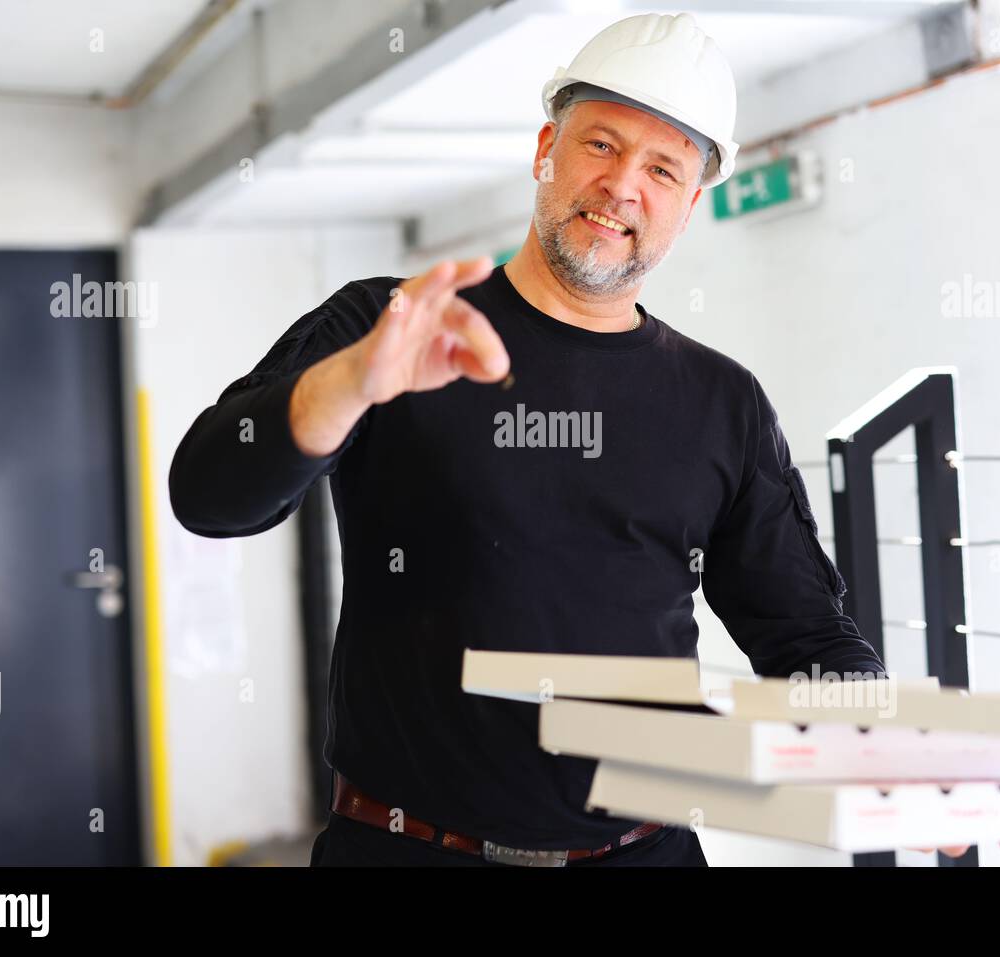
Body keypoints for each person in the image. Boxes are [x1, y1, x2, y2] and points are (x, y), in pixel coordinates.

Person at [170, 12, 949, 867]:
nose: (622, 187)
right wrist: (352, 382)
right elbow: (208, 495)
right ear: (547, 149)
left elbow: (805, 635)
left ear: (690, 204)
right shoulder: (394, 324)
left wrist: (886, 751)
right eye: (601, 145)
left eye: (662, 169)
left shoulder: (721, 402)